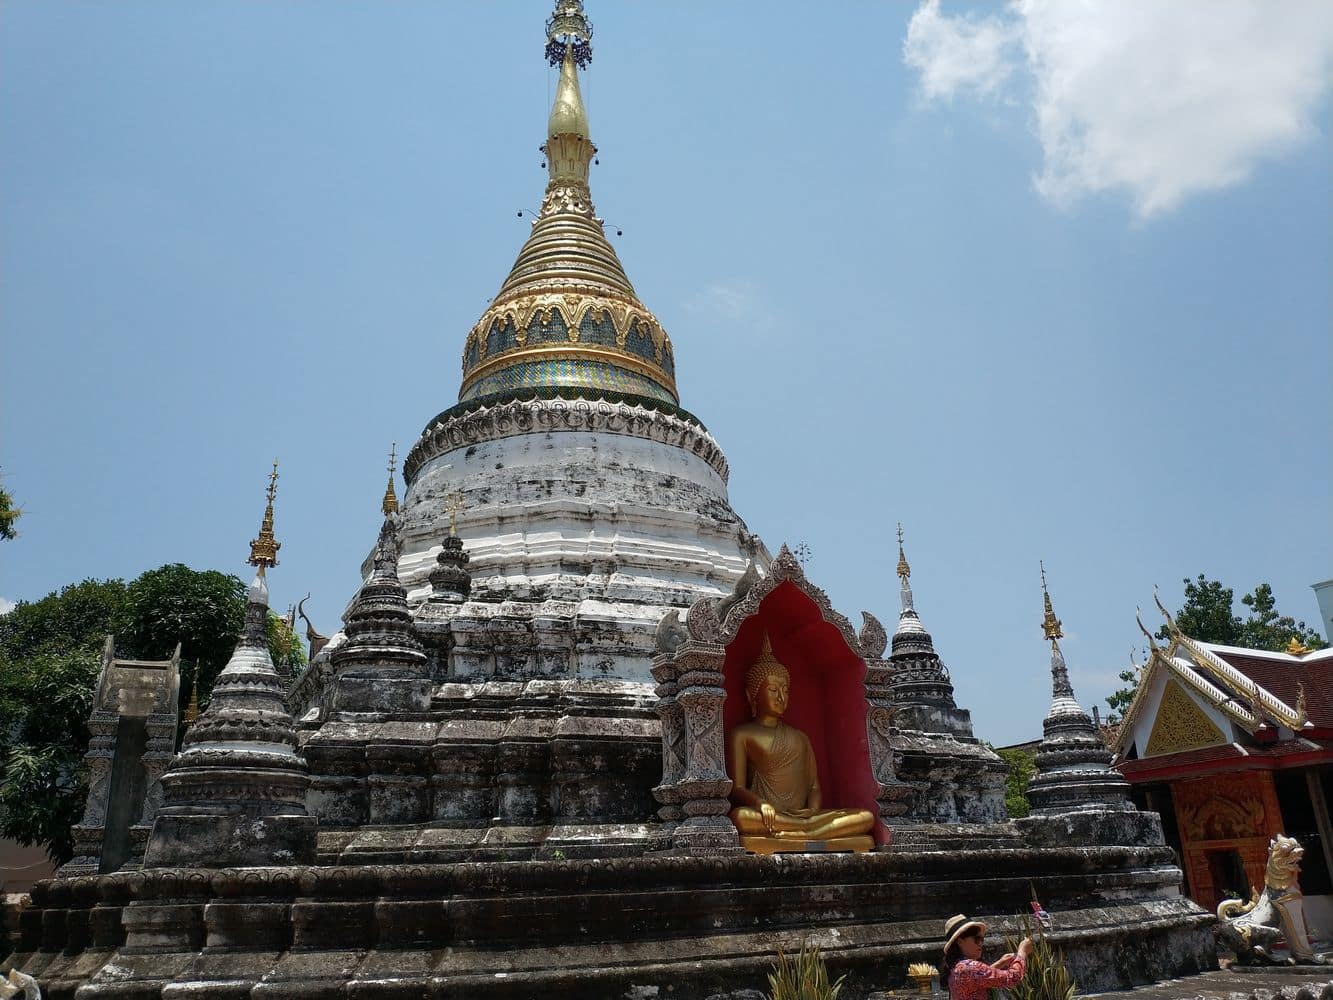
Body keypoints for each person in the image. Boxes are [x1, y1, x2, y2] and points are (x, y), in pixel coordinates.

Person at [939, 914, 1033, 1000]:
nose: (980, 944)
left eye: (981, 940)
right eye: (976, 939)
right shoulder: (970, 967)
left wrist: (1001, 962)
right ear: (960, 941)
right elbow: (1012, 978)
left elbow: (978, 978)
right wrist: (1022, 952)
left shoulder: (956, 967)